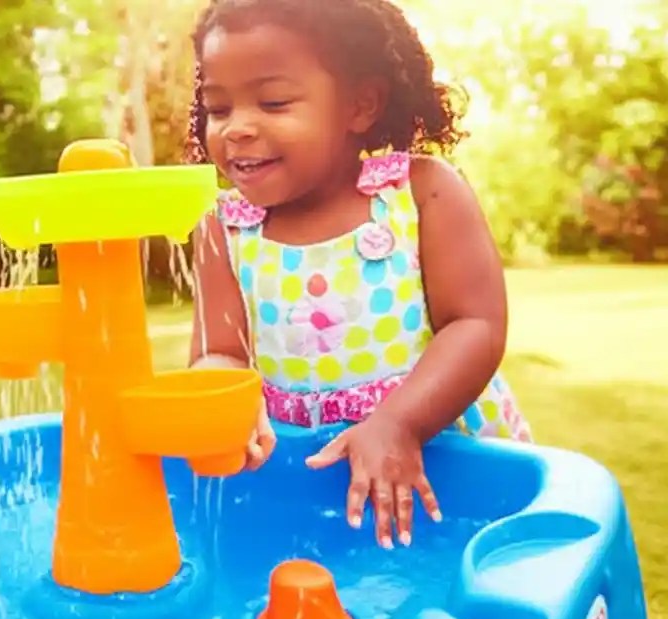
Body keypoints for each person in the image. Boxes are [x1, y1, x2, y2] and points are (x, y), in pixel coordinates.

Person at [186, 0, 532, 549]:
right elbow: (220, 351)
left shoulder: (420, 194)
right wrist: (218, 392)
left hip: (441, 461)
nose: (238, 129)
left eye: (273, 102)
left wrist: (399, 424)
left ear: (360, 105)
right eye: (219, 108)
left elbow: (474, 325)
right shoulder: (223, 230)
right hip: (310, 475)